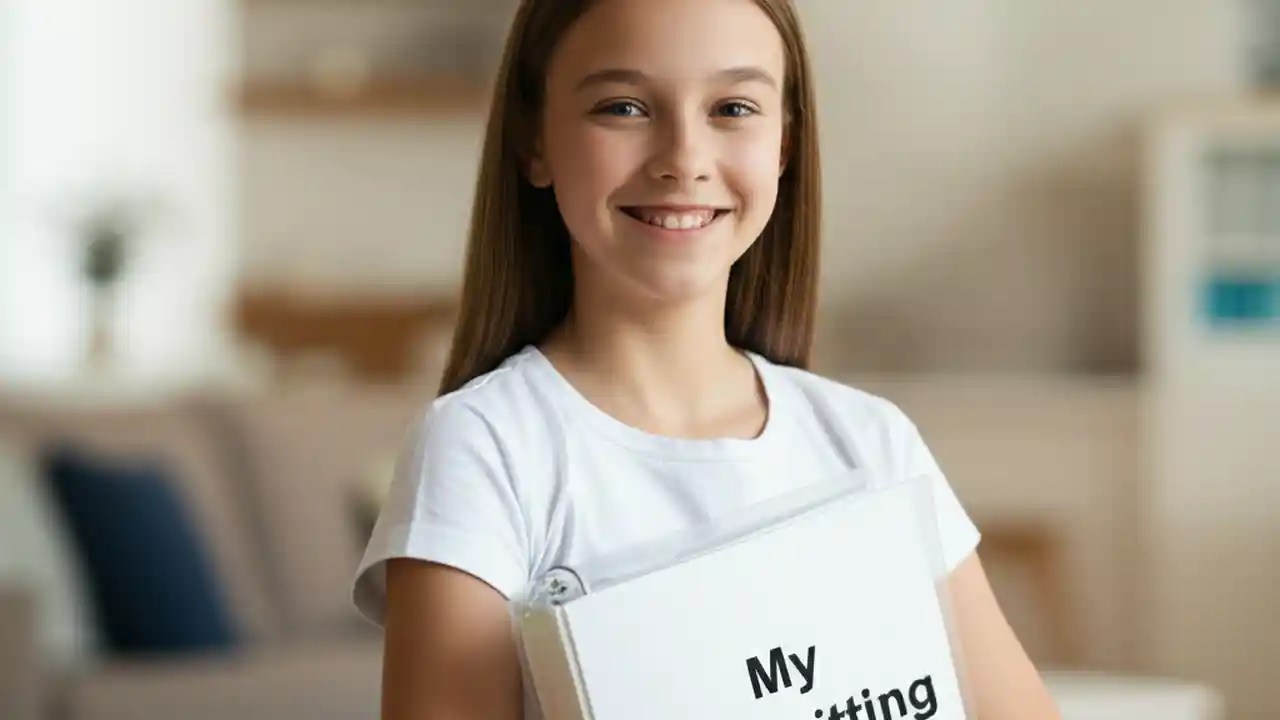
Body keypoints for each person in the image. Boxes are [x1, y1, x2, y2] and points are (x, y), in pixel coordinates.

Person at [352, 0, 1062, 718]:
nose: (684, 160)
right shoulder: (487, 447)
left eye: (732, 107)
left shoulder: (871, 443)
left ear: (784, 145)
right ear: (534, 141)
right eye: (624, 107)